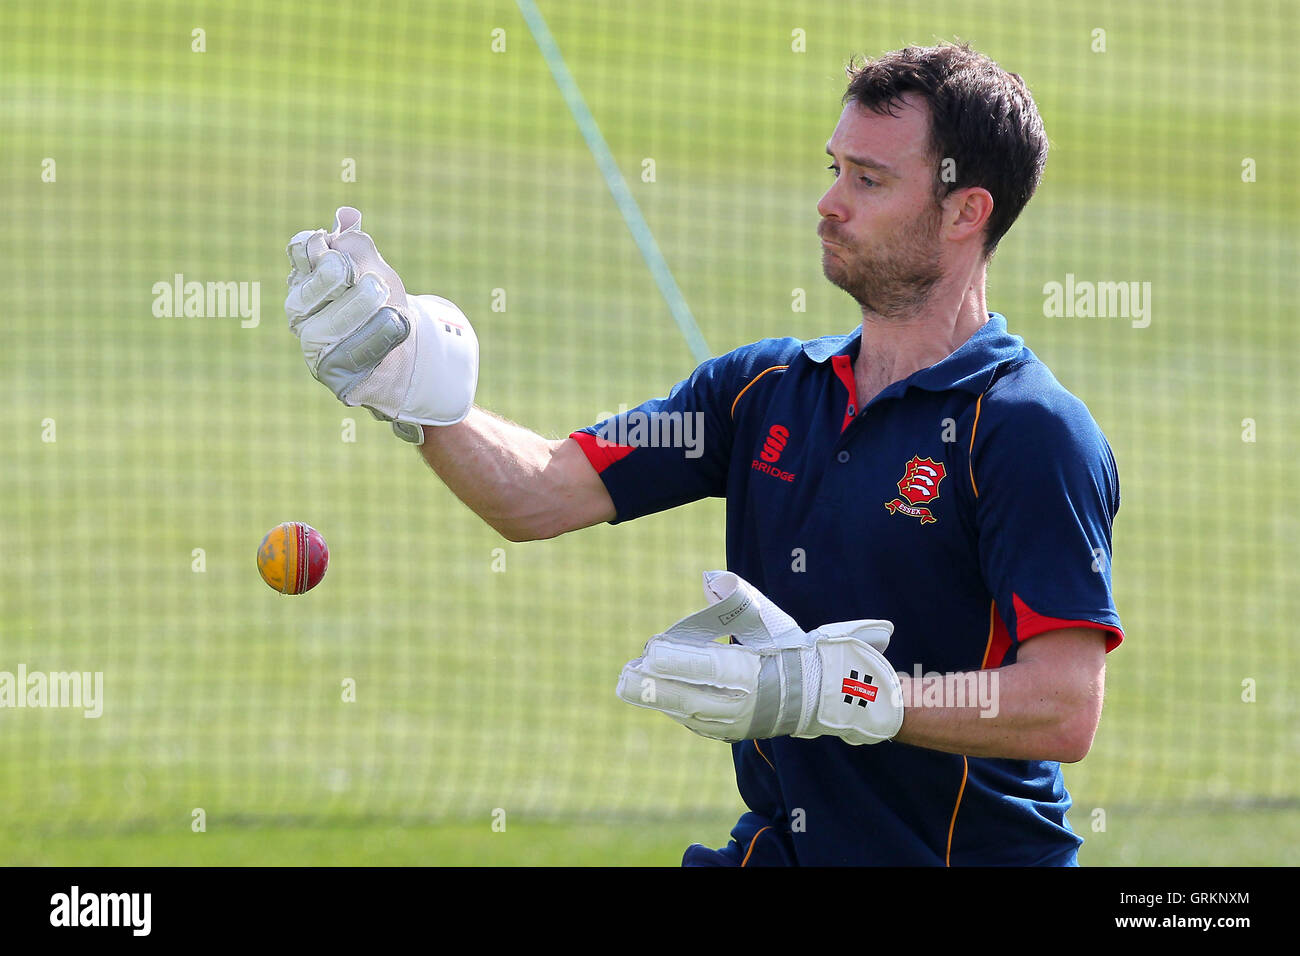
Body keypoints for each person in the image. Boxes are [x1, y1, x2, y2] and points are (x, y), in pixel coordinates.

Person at [283, 41, 1122, 866]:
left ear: (964, 210)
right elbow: (538, 492)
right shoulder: (757, 392)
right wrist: (414, 389)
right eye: (834, 168)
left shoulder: (1029, 432)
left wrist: (846, 695)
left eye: (868, 180)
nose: (830, 202)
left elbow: (1061, 708)